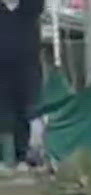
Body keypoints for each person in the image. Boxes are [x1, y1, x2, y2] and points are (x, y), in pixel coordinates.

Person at [0, 0, 44, 168]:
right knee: (4, 114)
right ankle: (7, 157)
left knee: (28, 111)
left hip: (27, 68)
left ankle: (23, 155)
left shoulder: (31, 7)